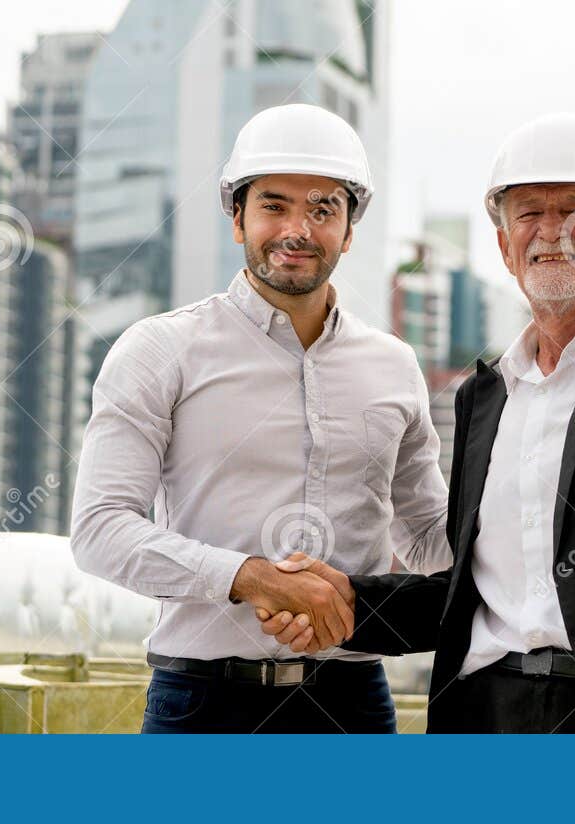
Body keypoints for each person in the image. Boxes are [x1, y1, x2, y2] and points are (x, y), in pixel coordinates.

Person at [258, 113, 575, 733]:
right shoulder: (484, 397)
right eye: (529, 213)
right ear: (504, 245)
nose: (552, 232)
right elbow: (477, 592)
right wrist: (344, 602)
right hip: (493, 716)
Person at [70, 103, 451, 734]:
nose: (298, 229)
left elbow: (427, 534)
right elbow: (101, 530)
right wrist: (250, 579)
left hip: (352, 707)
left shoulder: (394, 365)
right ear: (237, 218)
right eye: (274, 205)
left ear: (350, 230)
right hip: (201, 706)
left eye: (324, 209)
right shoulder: (160, 350)